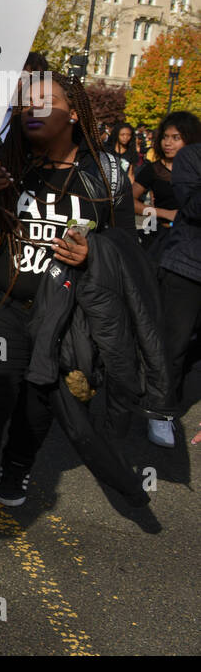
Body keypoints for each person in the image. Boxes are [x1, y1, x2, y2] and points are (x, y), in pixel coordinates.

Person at [0, 72, 148, 570]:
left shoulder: (111, 174)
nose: (30, 108)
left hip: (62, 316)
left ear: (73, 112)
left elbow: (125, 252)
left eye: (44, 100)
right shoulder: (3, 163)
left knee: (38, 406)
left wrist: (91, 252)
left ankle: (18, 464)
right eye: (23, 102)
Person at [146, 120, 201, 448]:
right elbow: (192, 206)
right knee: (174, 344)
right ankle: (160, 411)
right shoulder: (191, 158)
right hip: (187, 267)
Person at [133, 111, 201, 261]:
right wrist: (163, 213)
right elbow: (129, 202)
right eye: (165, 137)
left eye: (176, 138)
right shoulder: (153, 169)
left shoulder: (197, 170)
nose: (167, 143)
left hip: (192, 243)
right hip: (159, 237)